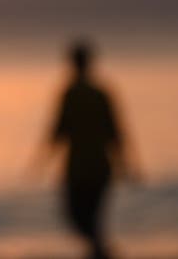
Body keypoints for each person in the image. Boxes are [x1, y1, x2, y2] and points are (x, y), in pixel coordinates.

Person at [44, 41, 136, 259]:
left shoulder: (71, 94)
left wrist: (41, 161)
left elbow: (57, 132)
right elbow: (116, 133)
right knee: (91, 220)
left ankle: (100, 252)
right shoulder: (100, 94)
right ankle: (100, 252)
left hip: (79, 169)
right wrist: (126, 163)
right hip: (100, 168)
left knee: (78, 217)